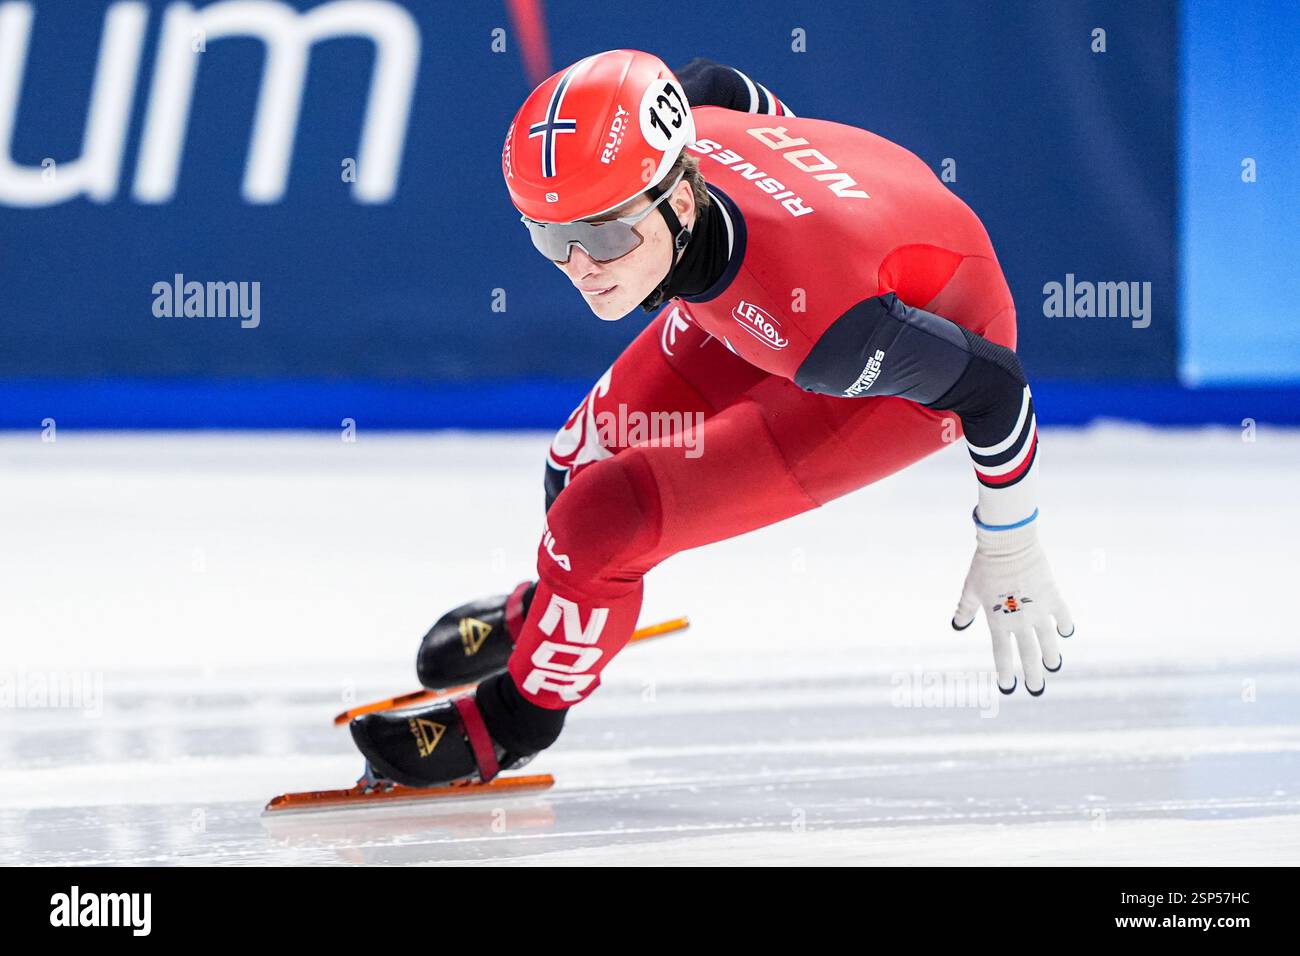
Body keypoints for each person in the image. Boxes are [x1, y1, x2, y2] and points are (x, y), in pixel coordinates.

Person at [349, 50, 1075, 788]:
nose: (580, 265)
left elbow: (994, 386)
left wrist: (1009, 542)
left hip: (905, 350)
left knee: (599, 524)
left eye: (603, 236)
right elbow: (719, 82)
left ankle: (516, 720)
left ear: (682, 201)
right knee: (576, 459)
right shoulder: (676, 140)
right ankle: (561, 609)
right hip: (791, 284)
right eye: (549, 236)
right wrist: (799, 168)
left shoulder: (827, 330)